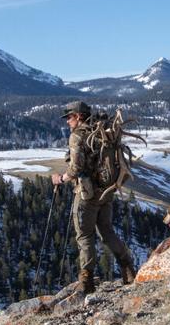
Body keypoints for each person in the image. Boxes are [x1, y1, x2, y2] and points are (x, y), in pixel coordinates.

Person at [51, 101, 136, 294]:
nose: (67, 122)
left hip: (86, 194)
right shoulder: (102, 131)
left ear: (79, 116)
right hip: (105, 192)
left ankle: (87, 282)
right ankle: (128, 269)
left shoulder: (77, 136)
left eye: (70, 117)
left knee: (85, 236)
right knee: (107, 232)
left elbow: (76, 168)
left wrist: (61, 179)